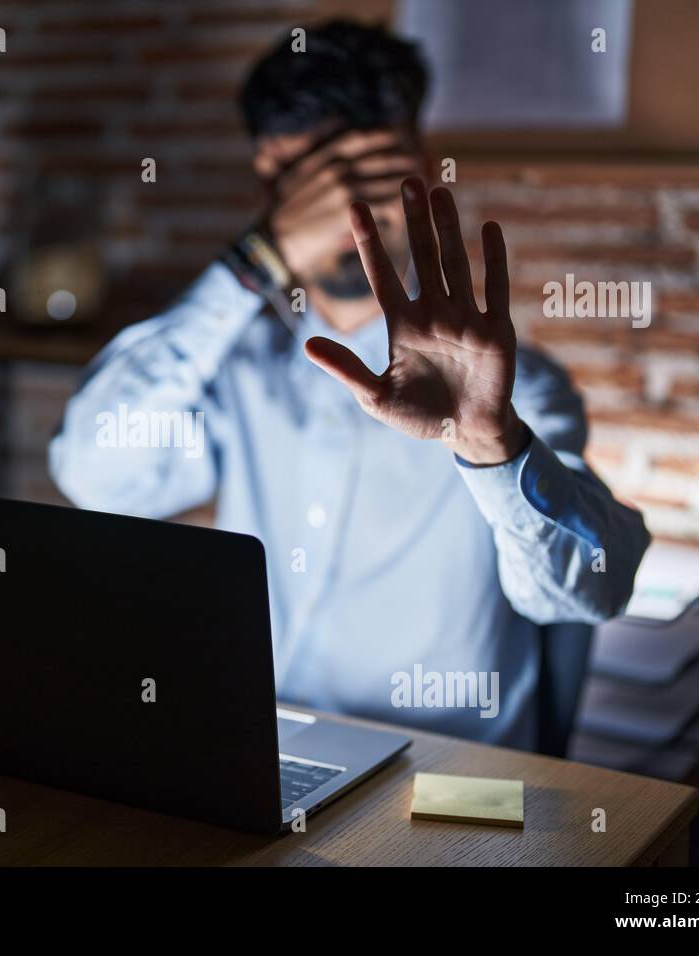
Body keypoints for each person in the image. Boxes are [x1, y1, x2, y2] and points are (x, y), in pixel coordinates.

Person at [48, 20, 650, 748]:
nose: (350, 213)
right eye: (318, 182)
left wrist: (494, 446)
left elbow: (594, 590)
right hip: (264, 754)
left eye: (369, 177)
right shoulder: (233, 365)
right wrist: (252, 262)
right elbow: (95, 474)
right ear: (273, 182)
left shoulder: (514, 389)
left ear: (421, 167)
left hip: (448, 784)